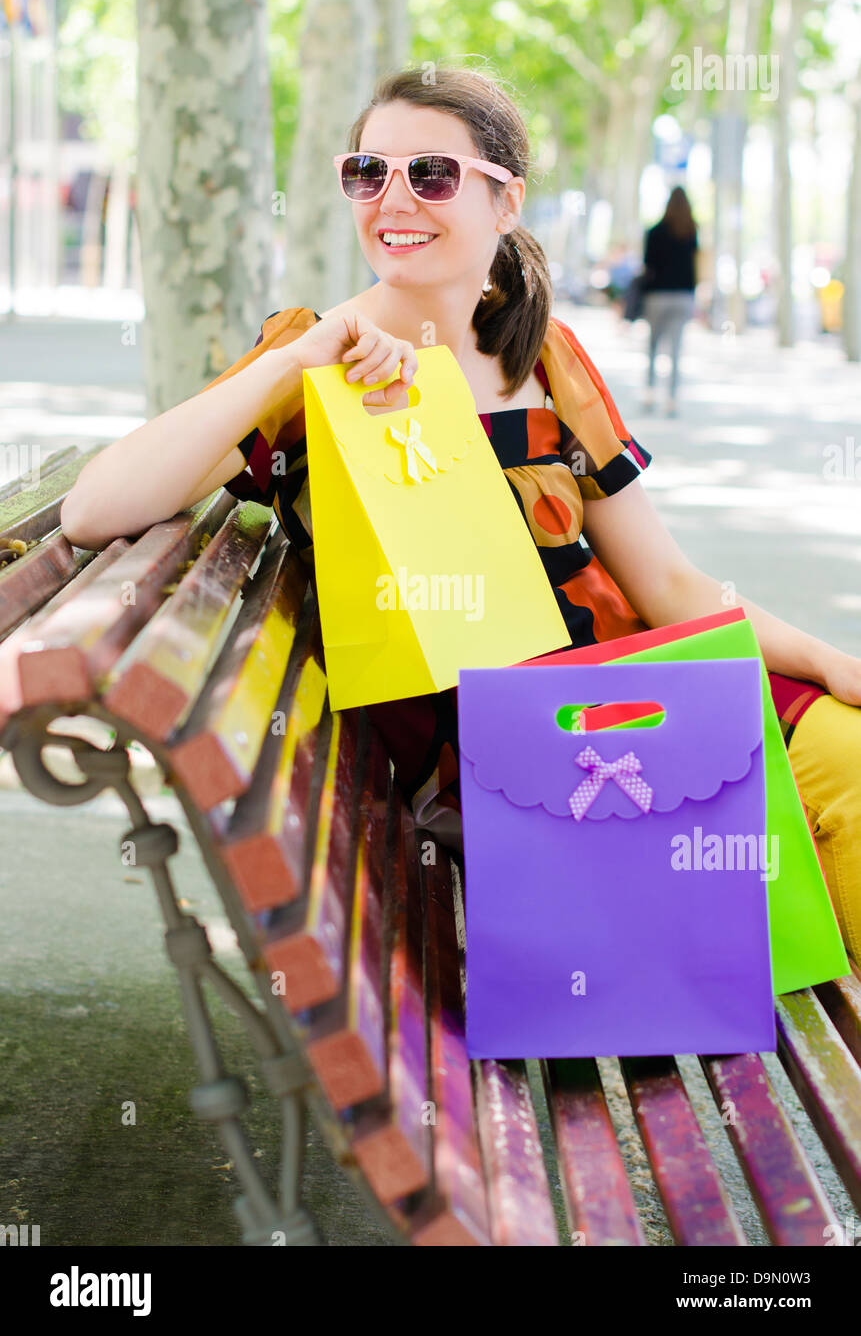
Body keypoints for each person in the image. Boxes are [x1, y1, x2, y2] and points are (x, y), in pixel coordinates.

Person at [60, 66, 861, 965]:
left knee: (850, 750)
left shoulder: (546, 353)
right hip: (518, 762)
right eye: (368, 172)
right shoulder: (311, 365)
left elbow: (667, 584)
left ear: (504, 200)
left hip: (641, 707)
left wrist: (830, 661)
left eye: (430, 174)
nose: (393, 198)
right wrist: (297, 360)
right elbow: (96, 508)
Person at [642, 186, 698, 417]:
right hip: (683, 296)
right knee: (675, 350)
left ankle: (650, 393)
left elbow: (648, 265)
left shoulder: (655, 232)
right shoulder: (691, 231)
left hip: (657, 296)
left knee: (653, 346)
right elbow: (695, 264)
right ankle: (672, 400)